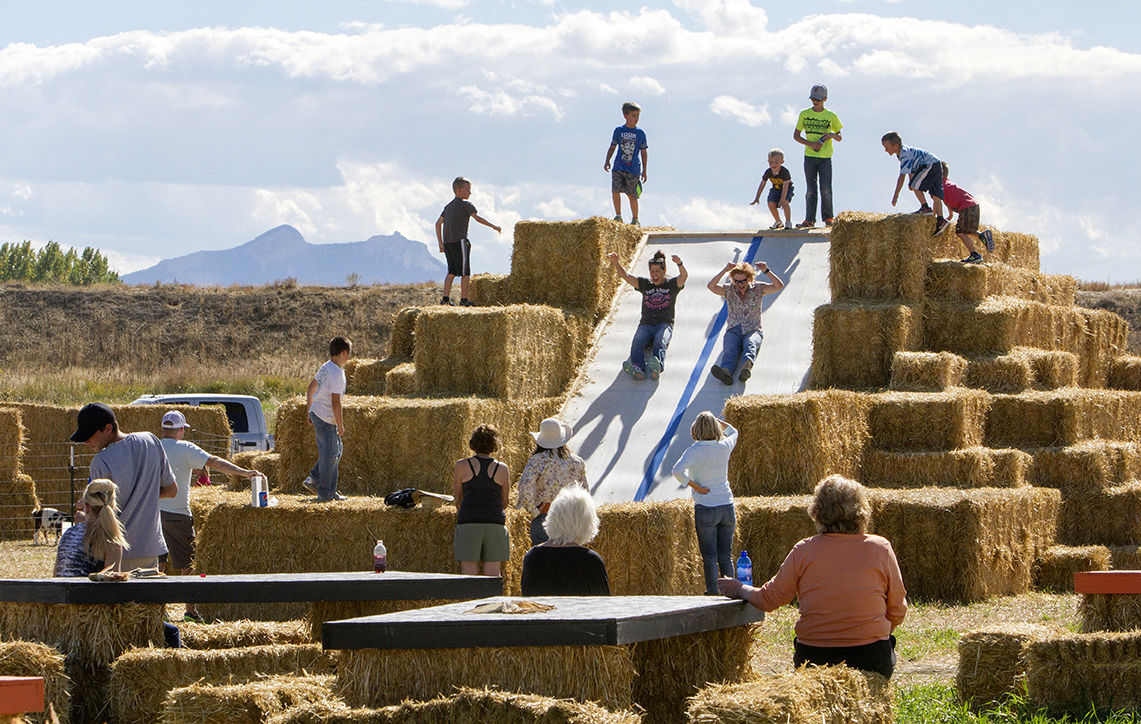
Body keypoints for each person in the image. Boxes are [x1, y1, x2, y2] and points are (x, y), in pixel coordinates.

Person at [718, 475, 908, 679]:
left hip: (815, 656)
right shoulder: (880, 548)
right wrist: (873, 632)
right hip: (869, 655)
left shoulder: (804, 550)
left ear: (817, 512)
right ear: (861, 511)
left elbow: (768, 599)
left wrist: (739, 588)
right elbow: (897, 609)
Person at [158, 410, 260, 623]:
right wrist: (244, 472)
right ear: (180, 431)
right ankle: (190, 612)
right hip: (177, 514)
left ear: (164, 429)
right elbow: (214, 461)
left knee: (156, 563)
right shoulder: (184, 447)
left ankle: (156, 610)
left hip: (151, 513)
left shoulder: (153, 446)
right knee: (188, 565)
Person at [55, 479, 182, 647]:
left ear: (86, 507)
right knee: (171, 632)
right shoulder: (111, 541)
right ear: (114, 507)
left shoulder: (67, 534)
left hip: (61, 613)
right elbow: (113, 593)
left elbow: (56, 575)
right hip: (92, 619)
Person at [71, 402, 176, 570]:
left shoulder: (101, 461)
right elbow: (171, 490)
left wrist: (84, 514)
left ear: (107, 428)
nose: (86, 441)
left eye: (89, 435)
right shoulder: (151, 441)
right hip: (150, 549)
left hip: (115, 553)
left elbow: (99, 513)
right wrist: (143, 494)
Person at [671, 412, 738, 596]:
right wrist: (719, 422)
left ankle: (712, 591)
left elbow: (676, 471)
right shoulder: (724, 446)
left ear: (695, 430)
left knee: (710, 556)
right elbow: (735, 431)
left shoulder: (694, 450)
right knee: (726, 554)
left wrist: (695, 486)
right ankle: (730, 592)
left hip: (706, 507)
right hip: (726, 505)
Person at [606, 249, 687, 380]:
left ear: (664, 271)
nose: (654, 275)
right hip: (646, 324)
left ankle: (657, 366)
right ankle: (638, 368)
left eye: (657, 271)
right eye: (652, 271)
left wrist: (679, 264)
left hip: (664, 324)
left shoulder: (671, 285)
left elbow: (683, 277)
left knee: (660, 341)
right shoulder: (645, 284)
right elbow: (626, 276)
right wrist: (616, 263)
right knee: (637, 341)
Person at [520, 486, 610, 596]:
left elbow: (528, 600)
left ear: (552, 516)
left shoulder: (533, 557)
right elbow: (602, 605)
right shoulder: (591, 560)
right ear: (587, 522)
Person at [706, 260, 784, 384]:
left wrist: (766, 271)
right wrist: (725, 270)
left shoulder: (758, 288)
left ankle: (746, 368)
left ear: (749, 278)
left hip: (753, 329)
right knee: (730, 348)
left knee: (750, 343)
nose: (740, 284)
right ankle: (726, 372)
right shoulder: (729, 290)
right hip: (734, 329)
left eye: (743, 281)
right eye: (737, 281)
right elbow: (711, 286)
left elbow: (778, 286)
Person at [516, 418, 588, 546]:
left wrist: (534, 511)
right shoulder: (577, 462)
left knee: (544, 562)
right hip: (571, 518)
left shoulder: (536, 461)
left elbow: (524, 489)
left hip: (546, 516)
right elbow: (585, 493)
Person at [435, 176, 502, 306]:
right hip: (460, 241)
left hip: (448, 243)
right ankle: (464, 301)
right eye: (468, 190)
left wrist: (440, 243)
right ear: (460, 190)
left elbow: (438, 224)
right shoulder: (467, 205)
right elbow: (477, 218)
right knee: (465, 272)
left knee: (451, 272)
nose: (470, 193)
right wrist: (494, 226)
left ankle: (445, 300)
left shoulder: (447, 207)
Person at [453, 424, 511, 577]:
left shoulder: (461, 465)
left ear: (473, 443)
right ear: (495, 444)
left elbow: (457, 499)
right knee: (492, 575)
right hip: (494, 521)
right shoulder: (503, 468)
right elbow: (505, 502)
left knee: (468, 575)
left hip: (469, 520)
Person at [302, 336, 351, 503]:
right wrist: (340, 425)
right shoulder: (337, 373)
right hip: (326, 417)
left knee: (335, 452)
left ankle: (316, 479)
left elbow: (310, 388)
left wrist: (309, 410)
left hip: (317, 413)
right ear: (345, 353)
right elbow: (335, 403)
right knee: (330, 453)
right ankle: (325, 493)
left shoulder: (326, 367)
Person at [793, 84, 843, 228]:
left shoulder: (831, 116)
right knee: (810, 189)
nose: (815, 101)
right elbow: (796, 135)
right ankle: (809, 220)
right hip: (809, 156)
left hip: (825, 158)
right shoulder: (804, 114)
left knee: (825, 188)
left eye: (818, 99)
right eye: (813, 98)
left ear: (825, 99)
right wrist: (810, 144)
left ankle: (828, 219)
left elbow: (839, 137)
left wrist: (831, 135)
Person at [881, 131, 946, 232]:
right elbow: (910, 170)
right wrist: (911, 182)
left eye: (886, 147)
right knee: (935, 194)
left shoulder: (904, 155)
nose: (885, 150)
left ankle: (925, 208)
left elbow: (901, 177)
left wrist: (896, 196)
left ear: (896, 146)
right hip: (936, 163)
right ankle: (941, 220)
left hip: (929, 165)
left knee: (915, 185)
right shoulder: (903, 152)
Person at [940, 162, 995, 264]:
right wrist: (948, 217)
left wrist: (936, 218)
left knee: (960, 231)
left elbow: (937, 202)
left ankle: (975, 255)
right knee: (967, 230)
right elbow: (949, 206)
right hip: (973, 204)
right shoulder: (947, 184)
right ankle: (982, 236)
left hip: (966, 206)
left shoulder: (939, 185)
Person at [603, 101, 648, 225]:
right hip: (618, 166)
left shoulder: (640, 133)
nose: (636, 118)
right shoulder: (619, 131)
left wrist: (644, 170)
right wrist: (607, 160)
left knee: (632, 194)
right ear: (625, 116)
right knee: (615, 190)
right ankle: (618, 216)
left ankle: (635, 219)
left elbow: (644, 152)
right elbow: (612, 147)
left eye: (637, 116)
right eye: (633, 115)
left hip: (633, 169)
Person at [750, 148, 794, 230]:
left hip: (786, 188)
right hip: (775, 189)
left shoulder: (785, 172)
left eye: (776, 162)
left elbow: (785, 187)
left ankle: (788, 221)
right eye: (771, 162)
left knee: (784, 203)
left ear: (782, 162)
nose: (773, 164)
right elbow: (762, 185)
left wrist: (782, 199)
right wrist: (757, 198)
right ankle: (778, 221)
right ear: (768, 161)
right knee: (770, 203)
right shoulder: (768, 172)